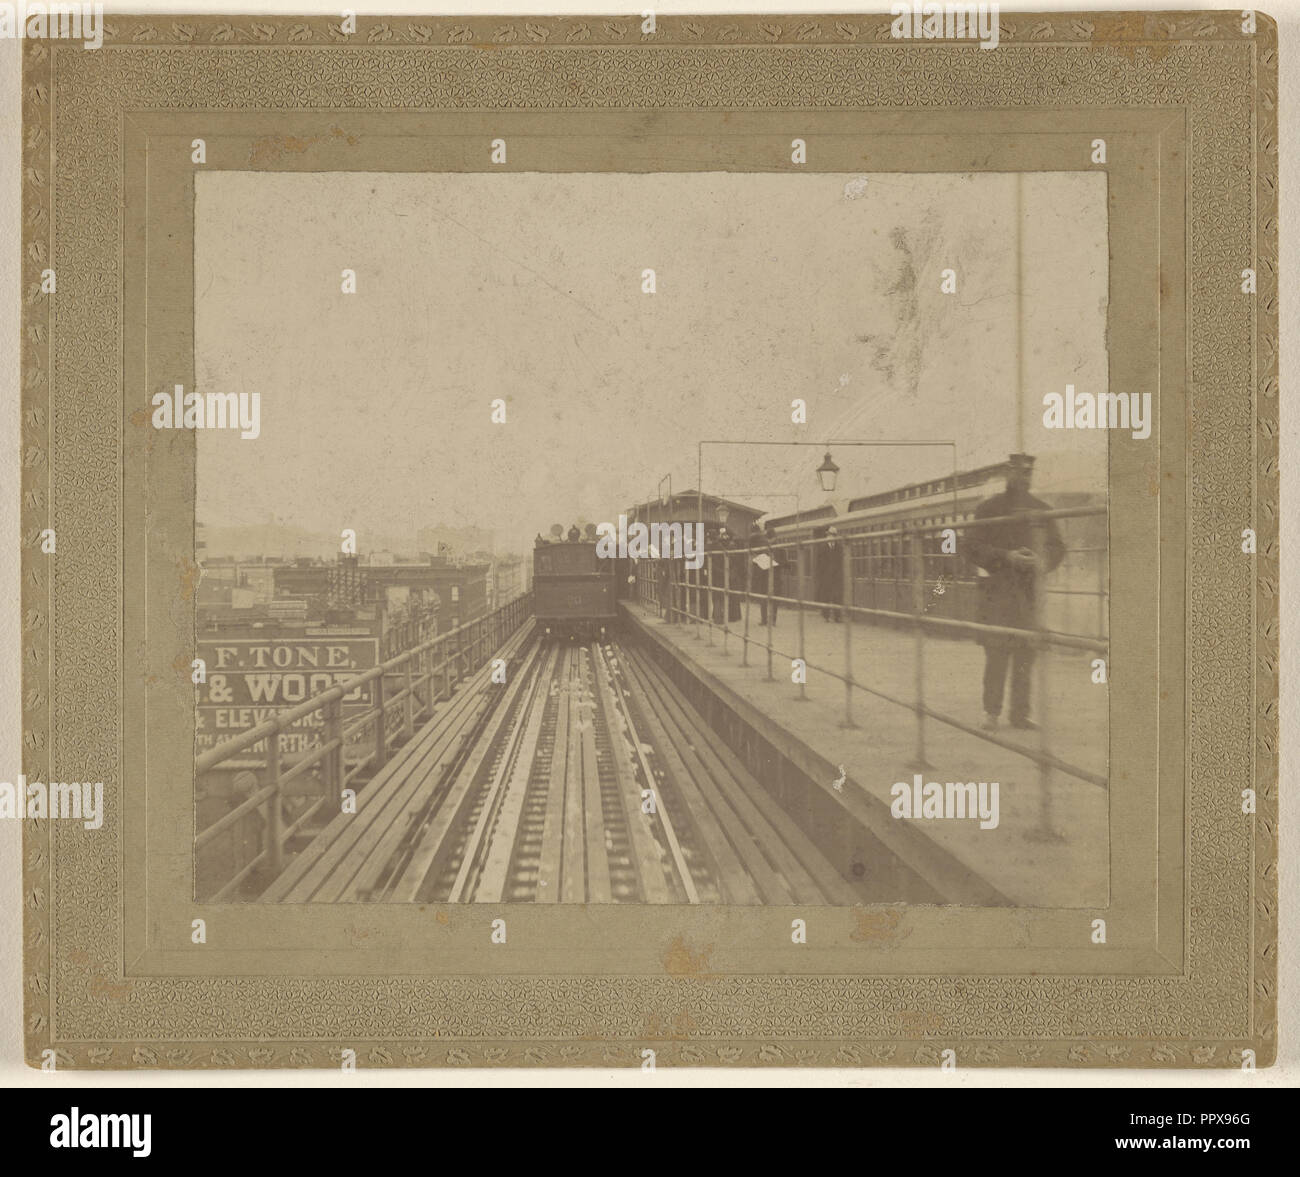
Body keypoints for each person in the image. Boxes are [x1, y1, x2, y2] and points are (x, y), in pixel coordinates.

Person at [966, 453, 1065, 731]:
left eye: (1028, 474)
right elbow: (971, 547)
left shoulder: (1042, 510)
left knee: (1025, 654)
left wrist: (1041, 561)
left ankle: (1020, 714)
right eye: (1019, 473)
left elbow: (1058, 547)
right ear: (1008, 473)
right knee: (996, 654)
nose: (1024, 478)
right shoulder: (988, 509)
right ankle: (992, 712)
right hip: (996, 591)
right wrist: (1006, 556)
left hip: (1028, 593)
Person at [816, 526, 843, 622]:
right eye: (829, 535)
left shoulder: (839, 547)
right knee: (825, 596)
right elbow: (819, 563)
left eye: (833, 535)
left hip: (836, 576)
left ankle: (837, 616)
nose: (830, 537)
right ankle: (826, 616)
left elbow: (841, 562)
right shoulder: (822, 548)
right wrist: (820, 576)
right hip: (825, 576)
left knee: (837, 596)